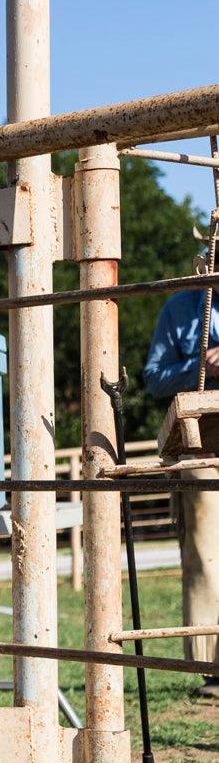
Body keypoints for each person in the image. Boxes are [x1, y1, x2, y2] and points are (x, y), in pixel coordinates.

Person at [143, 288, 219, 698]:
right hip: (201, 444)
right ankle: (214, 668)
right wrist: (199, 366)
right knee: (207, 553)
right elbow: (154, 377)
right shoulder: (181, 308)